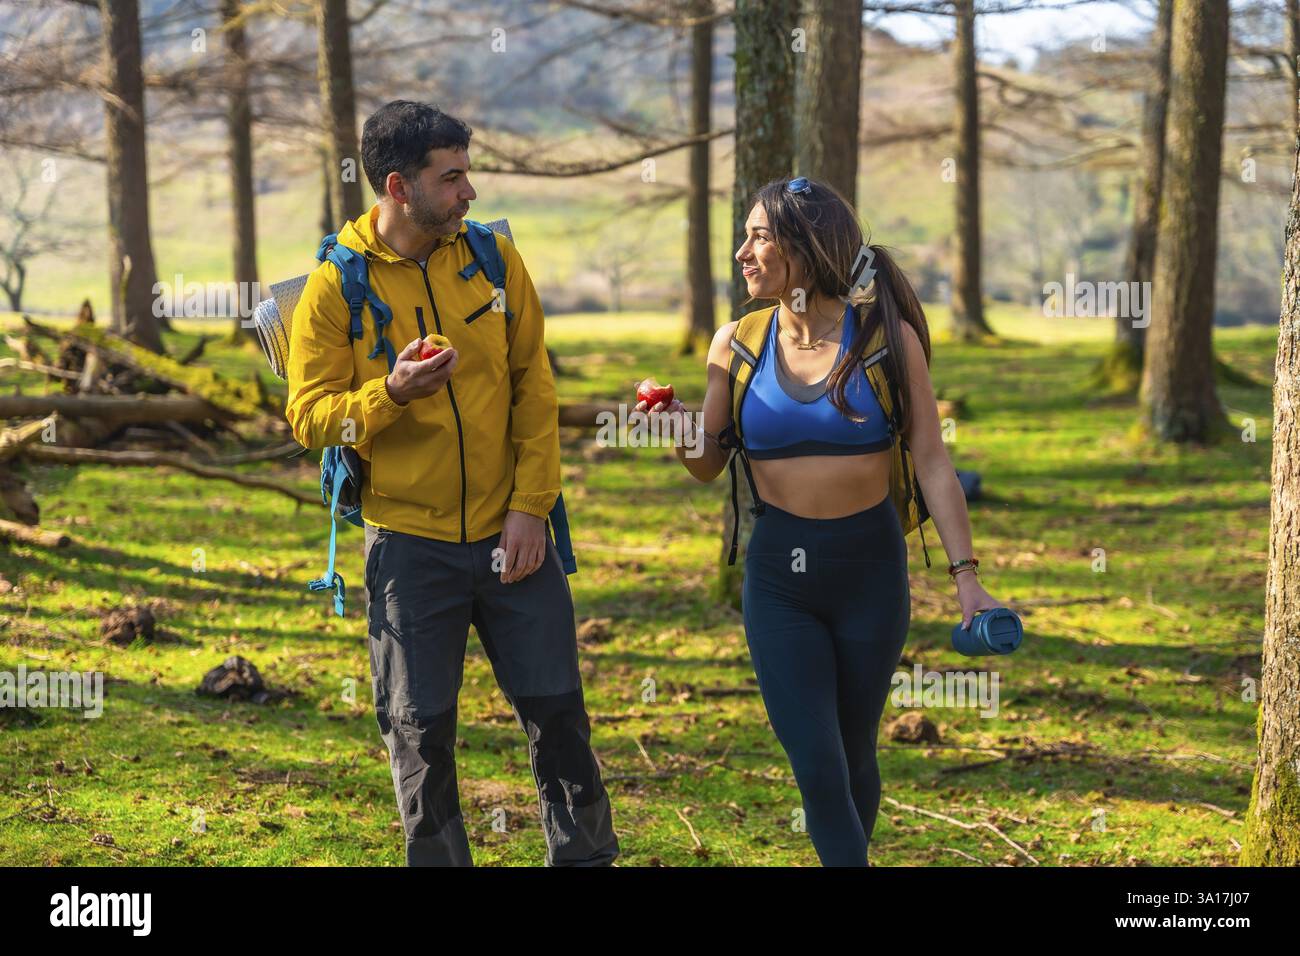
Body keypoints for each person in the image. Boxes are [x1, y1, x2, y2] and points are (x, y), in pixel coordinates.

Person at [285, 99, 619, 867]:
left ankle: (586, 860)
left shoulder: (494, 259)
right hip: (408, 547)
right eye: (453, 177)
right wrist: (390, 394)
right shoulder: (336, 284)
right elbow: (310, 420)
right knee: (420, 732)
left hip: (514, 537)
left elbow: (535, 385)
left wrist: (531, 508)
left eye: (468, 173)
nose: (469, 192)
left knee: (559, 717)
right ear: (399, 187)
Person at [640, 176, 1001, 866]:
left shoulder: (886, 342)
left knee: (853, 752)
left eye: (759, 236)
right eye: (743, 235)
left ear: (806, 247)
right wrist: (678, 424)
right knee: (814, 754)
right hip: (780, 577)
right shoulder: (735, 344)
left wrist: (967, 578)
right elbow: (709, 464)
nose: (742, 252)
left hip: (871, 571)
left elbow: (931, 464)